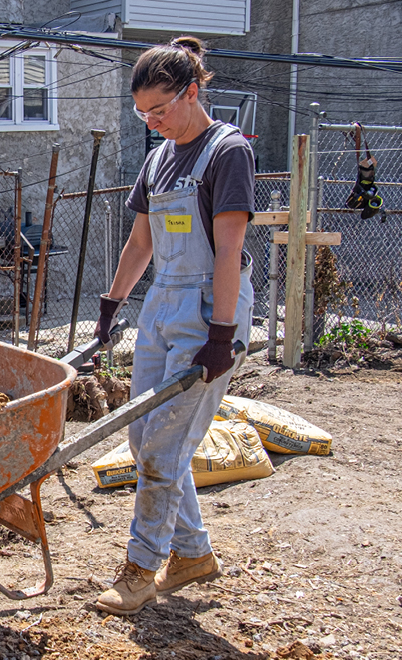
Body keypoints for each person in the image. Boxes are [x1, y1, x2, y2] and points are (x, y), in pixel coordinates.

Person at [93, 36, 255, 616]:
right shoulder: (158, 158)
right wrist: (111, 308)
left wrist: (221, 334)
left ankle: (140, 570)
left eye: (160, 111)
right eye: (143, 114)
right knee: (142, 438)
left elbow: (230, 250)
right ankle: (192, 554)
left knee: (163, 446)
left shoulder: (227, 151)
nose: (153, 122)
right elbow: (142, 242)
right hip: (162, 304)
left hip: (211, 306)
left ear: (192, 92)